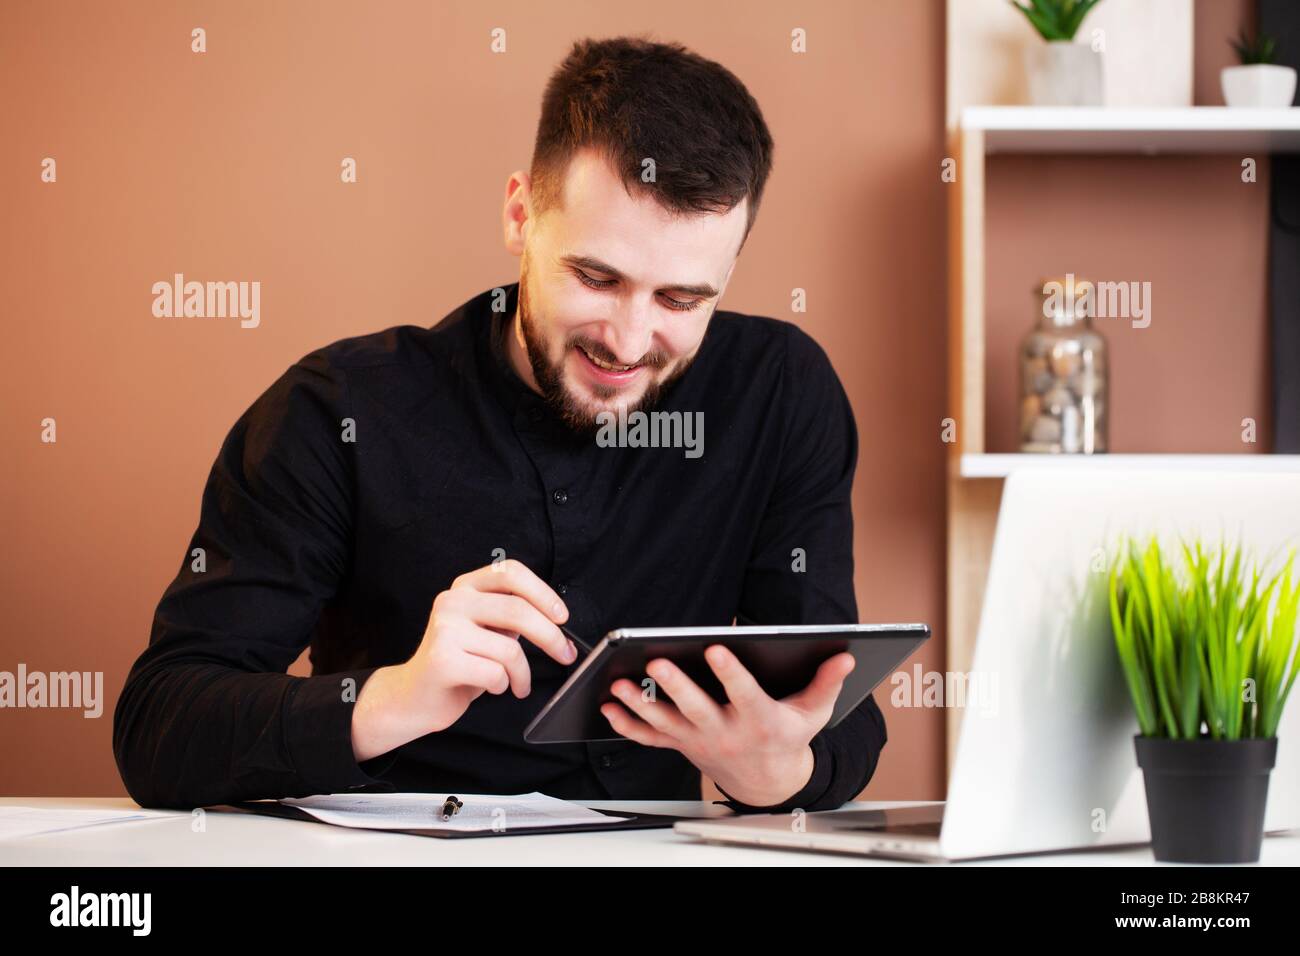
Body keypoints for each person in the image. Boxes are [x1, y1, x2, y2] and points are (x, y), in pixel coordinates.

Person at [113, 36, 886, 814]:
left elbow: (834, 708)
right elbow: (159, 730)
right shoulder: (336, 410)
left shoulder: (780, 392)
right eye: (595, 277)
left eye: (681, 300)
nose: (625, 340)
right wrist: (391, 699)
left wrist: (773, 773)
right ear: (521, 215)